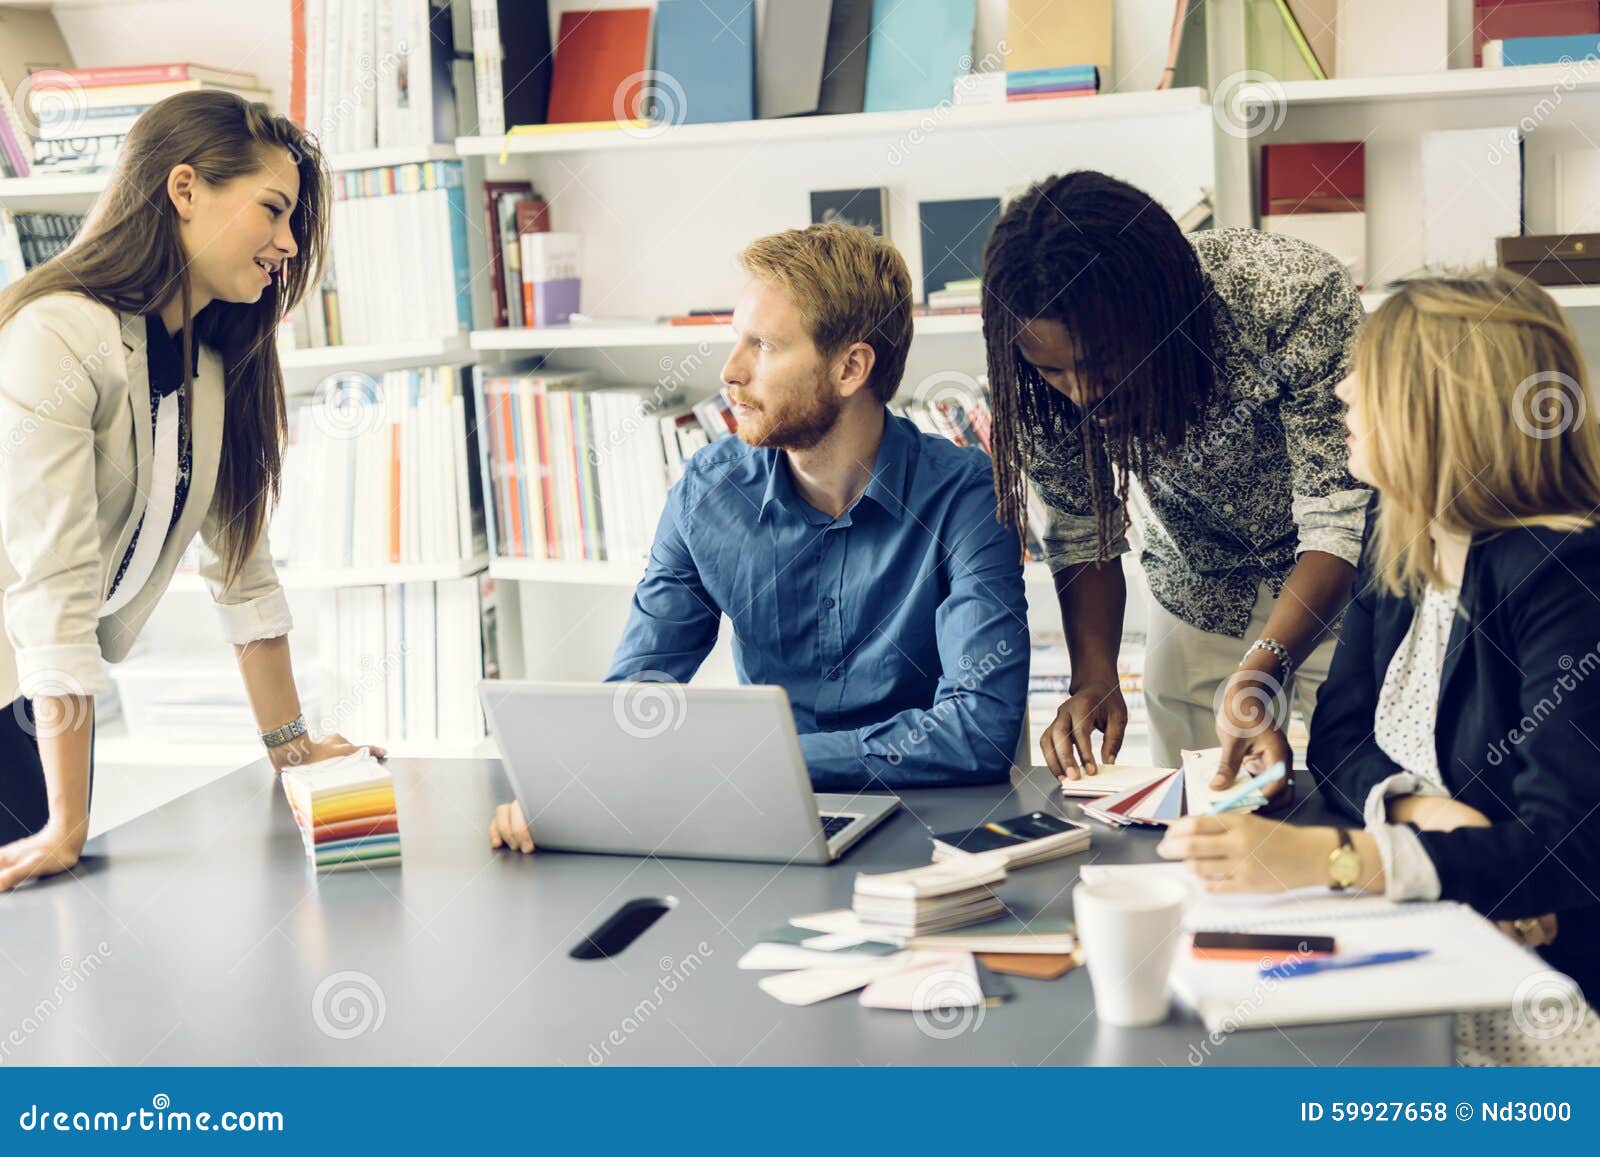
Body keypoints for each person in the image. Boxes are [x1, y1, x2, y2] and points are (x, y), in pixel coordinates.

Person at [1157, 271, 1600, 1062]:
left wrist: (1335, 858)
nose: (1342, 388)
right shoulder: (1409, 538)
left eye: (1371, 371)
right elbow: (1338, 736)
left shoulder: (1566, 574)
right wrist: (1418, 814)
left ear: (1442, 405)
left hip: (1552, 991)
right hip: (1450, 940)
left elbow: (1566, 854)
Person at [489, 224, 1028, 853]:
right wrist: (581, 785)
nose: (730, 372)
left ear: (852, 366)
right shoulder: (708, 492)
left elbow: (977, 731)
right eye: (736, 341)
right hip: (767, 818)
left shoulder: (965, 495)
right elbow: (641, 692)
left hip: (937, 828)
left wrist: (759, 761)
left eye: (765, 346)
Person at [0, 91, 382, 892]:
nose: (285, 244)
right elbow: (54, 586)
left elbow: (243, 573)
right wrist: (67, 822)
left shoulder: (212, 359)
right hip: (29, 672)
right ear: (184, 189)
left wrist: (293, 751)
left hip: (44, 697)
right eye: (272, 211)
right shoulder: (56, 335)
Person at [983, 170, 1367, 789]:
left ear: (1159, 317)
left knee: (1359, 796)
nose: (1082, 395)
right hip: (1194, 590)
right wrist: (1094, 676)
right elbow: (1083, 532)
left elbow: (1336, 517)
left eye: (1102, 366)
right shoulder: (1031, 374)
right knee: (1199, 819)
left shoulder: (1291, 294)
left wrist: (1264, 668)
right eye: (1055, 371)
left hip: (1342, 589)